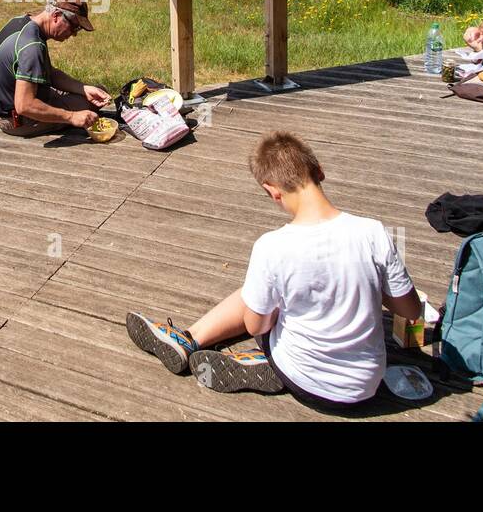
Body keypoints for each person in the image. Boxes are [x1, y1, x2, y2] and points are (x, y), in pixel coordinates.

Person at [126, 131, 421, 410]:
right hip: (365, 388)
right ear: (320, 171)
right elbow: (410, 310)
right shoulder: (373, 232)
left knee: (257, 296)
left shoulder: (273, 246)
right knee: (276, 293)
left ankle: (208, 344)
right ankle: (207, 345)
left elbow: (256, 326)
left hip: (304, 381)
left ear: (272, 192)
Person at [0, 0, 112, 136]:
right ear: (56, 16)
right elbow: (24, 106)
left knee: (94, 93)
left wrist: (83, 88)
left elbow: (48, 72)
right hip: (15, 120)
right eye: (74, 26)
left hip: (3, 108)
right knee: (91, 105)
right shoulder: (32, 46)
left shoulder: (21, 22)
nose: (74, 33)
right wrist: (72, 117)